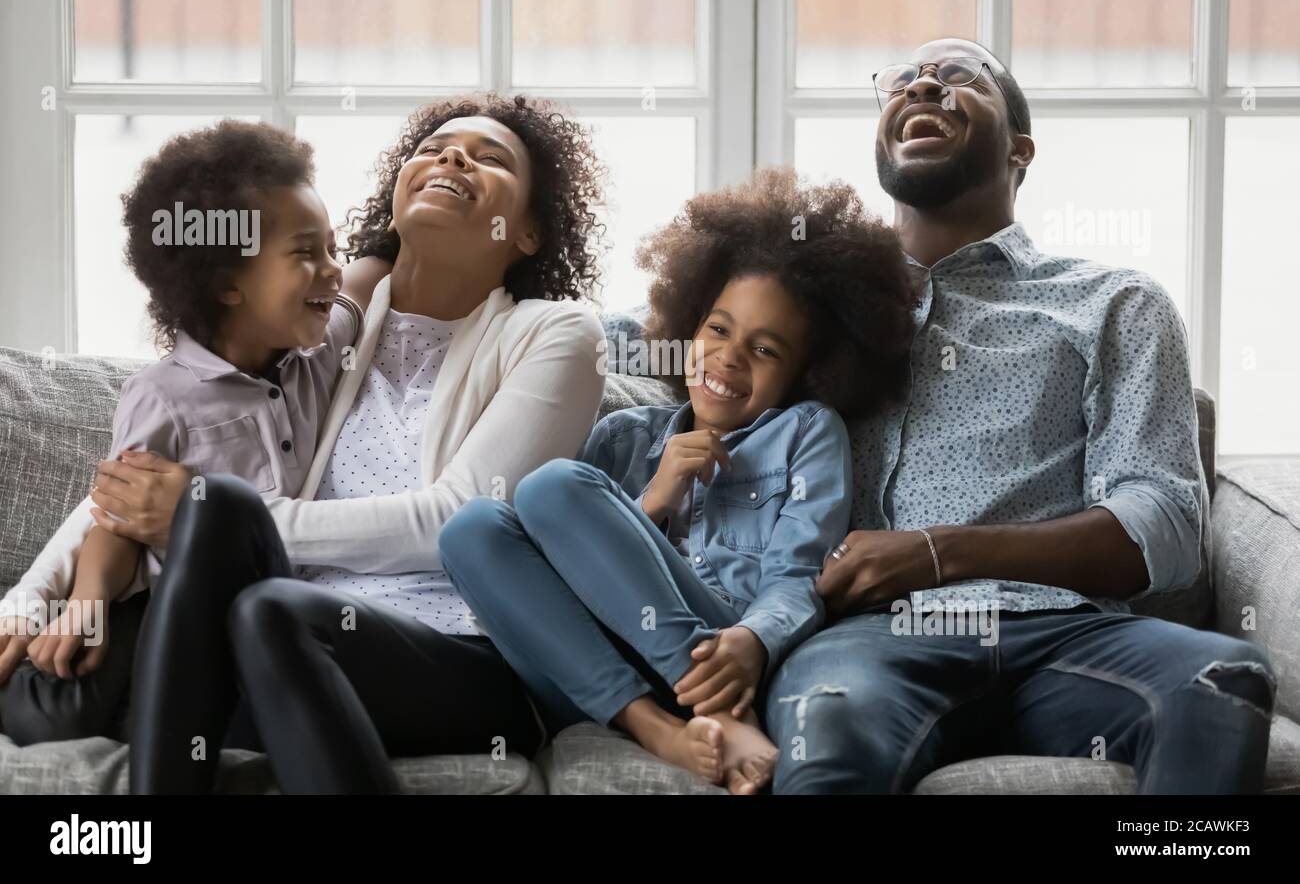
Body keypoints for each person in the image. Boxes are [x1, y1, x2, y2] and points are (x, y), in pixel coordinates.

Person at [765, 38, 1277, 794]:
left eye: (959, 75)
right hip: (872, 644)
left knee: (1223, 671)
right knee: (831, 717)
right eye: (902, 81)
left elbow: (1166, 526)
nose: (924, 84)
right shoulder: (814, 311)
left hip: (1068, 637)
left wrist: (939, 553)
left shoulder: (1115, 304)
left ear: (1020, 148)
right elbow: (668, 346)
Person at [89, 95, 609, 793]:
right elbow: (143, 469)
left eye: (491, 159)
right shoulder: (319, 329)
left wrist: (195, 511)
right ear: (394, 202)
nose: (452, 156)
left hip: (462, 664)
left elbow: (453, 520)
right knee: (227, 535)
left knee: (258, 588)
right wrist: (44, 595)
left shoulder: (557, 336)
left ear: (528, 234)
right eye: (434, 148)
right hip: (273, 649)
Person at [440, 168, 917, 793]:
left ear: (810, 373)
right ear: (690, 323)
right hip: (598, 670)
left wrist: (752, 640)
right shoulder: (625, 435)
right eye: (717, 329)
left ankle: (712, 701)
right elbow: (566, 560)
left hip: (725, 651)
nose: (728, 357)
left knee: (553, 484)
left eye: (766, 350)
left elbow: (799, 578)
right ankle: (671, 730)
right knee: (471, 526)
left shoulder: (806, 430)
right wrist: (655, 500)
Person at [0, 121, 366, 745]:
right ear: (228, 284)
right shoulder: (161, 396)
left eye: (334, 249)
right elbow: (112, 522)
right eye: (307, 253)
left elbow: (368, 281)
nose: (332, 271)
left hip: (261, 617)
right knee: (64, 709)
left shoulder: (324, 347)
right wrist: (87, 603)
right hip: (164, 604)